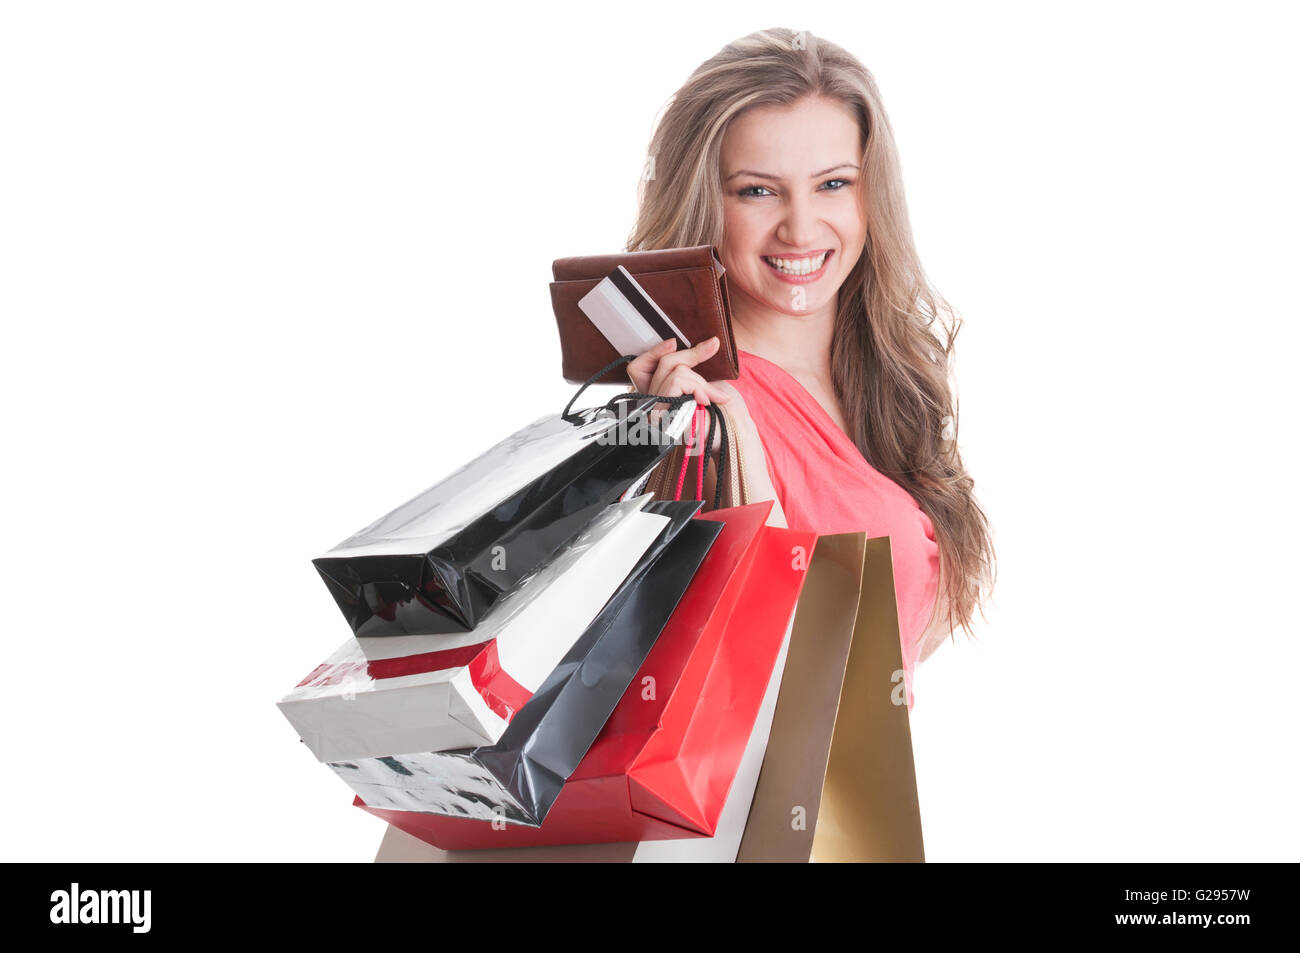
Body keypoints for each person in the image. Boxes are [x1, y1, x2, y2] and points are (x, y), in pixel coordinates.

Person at [624, 28, 995, 707]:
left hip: (848, 808)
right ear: (706, 202)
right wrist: (689, 439)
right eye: (758, 192)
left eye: (832, 184)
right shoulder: (699, 406)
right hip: (745, 816)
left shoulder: (887, 376)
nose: (801, 228)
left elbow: (891, 654)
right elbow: (772, 671)